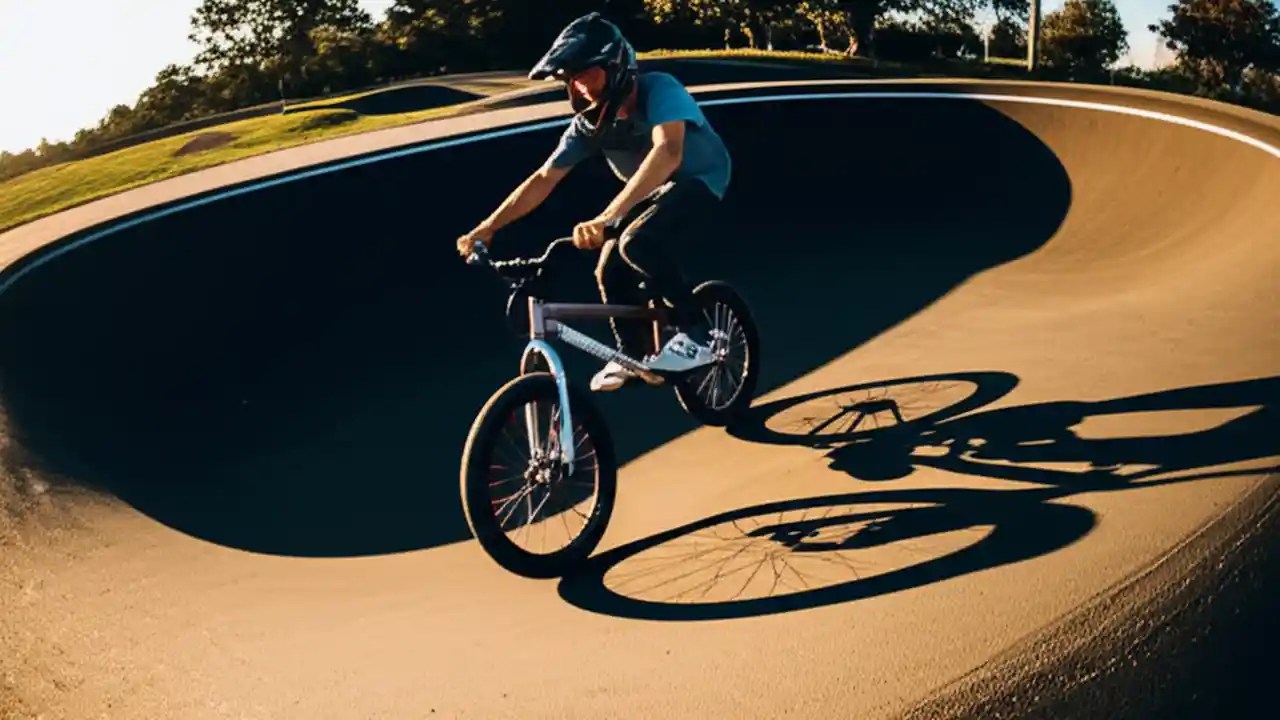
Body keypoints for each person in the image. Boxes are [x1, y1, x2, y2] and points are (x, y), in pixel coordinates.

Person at [455, 12, 733, 392]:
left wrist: (609, 215)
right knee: (608, 268)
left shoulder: (659, 89)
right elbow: (543, 178)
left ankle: (699, 336)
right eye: (572, 78)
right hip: (650, 193)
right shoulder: (588, 126)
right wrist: (489, 226)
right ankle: (631, 353)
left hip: (701, 180)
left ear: (616, 66)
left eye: (587, 73)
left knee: (638, 242)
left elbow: (669, 152)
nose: (580, 86)